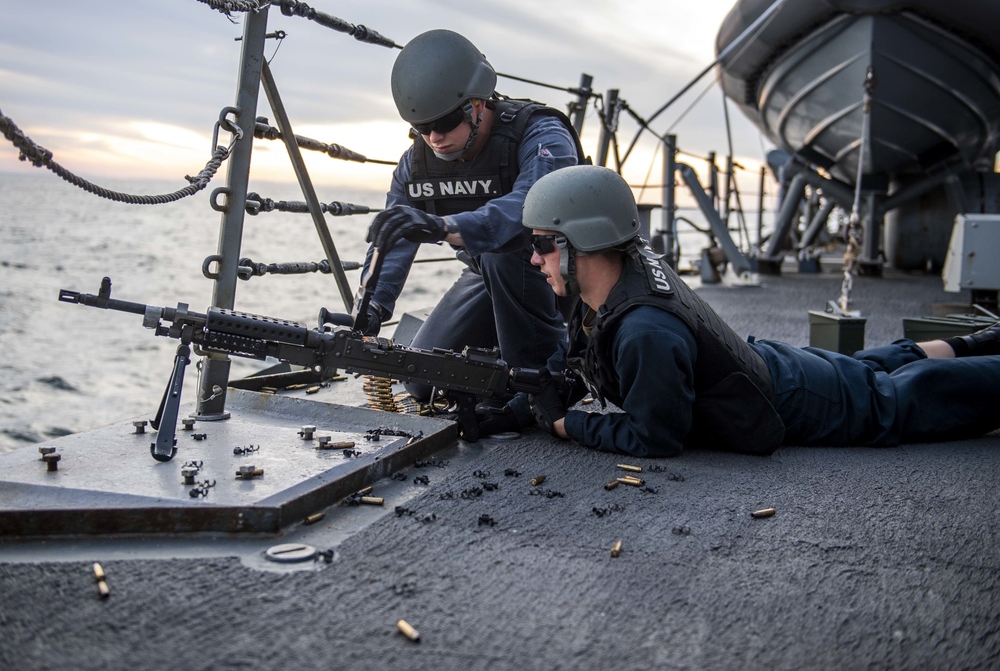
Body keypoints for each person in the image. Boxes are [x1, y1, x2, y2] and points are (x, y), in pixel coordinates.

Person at [490, 165, 1000, 458]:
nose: (534, 259)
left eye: (543, 244)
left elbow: (655, 436)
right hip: (768, 366)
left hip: (788, 399)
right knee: (867, 368)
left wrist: (564, 426)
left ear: (584, 242)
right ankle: (975, 342)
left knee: (891, 399)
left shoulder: (645, 331)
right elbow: (585, 362)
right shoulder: (618, 276)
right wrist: (523, 402)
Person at [359, 29, 586, 400]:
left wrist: (444, 227)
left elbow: (528, 209)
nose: (434, 137)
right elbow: (395, 235)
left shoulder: (541, 134)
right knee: (422, 381)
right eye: (422, 128)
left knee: (502, 256)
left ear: (479, 104)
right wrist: (371, 307)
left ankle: (547, 381)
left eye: (446, 123)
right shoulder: (417, 165)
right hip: (489, 275)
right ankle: (509, 353)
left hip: (566, 277)